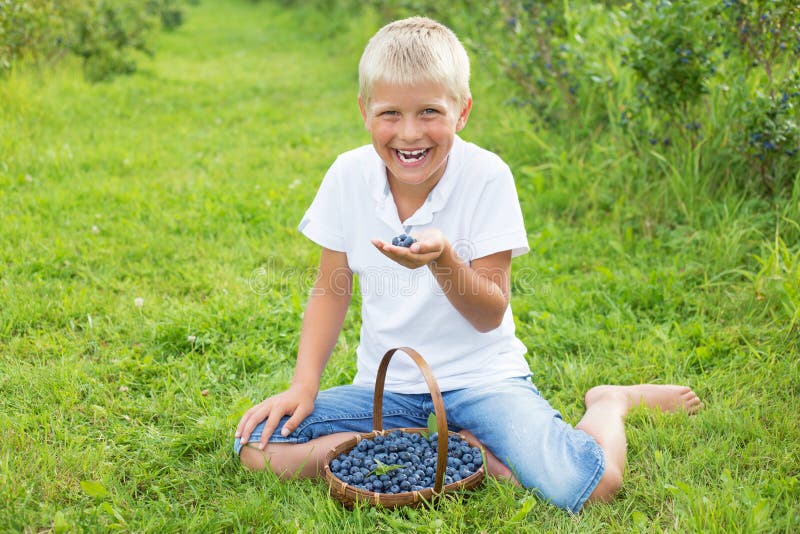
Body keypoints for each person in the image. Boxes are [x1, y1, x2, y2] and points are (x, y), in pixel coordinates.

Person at [233, 16, 703, 513]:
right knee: (257, 448)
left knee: (592, 487)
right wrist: (304, 386)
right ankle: (447, 446)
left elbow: (488, 313)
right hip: (386, 389)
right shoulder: (349, 175)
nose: (409, 133)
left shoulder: (486, 177)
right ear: (364, 111)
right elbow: (332, 287)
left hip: (483, 381)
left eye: (430, 111)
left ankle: (610, 400)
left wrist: (443, 262)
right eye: (390, 112)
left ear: (463, 111)